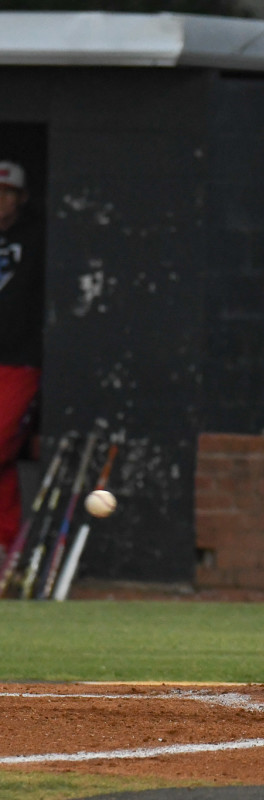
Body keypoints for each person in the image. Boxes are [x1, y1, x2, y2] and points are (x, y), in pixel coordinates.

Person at [0, 160, 43, 564]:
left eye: (7, 193)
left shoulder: (38, 239)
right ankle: (8, 546)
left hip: (17, 362)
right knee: (3, 461)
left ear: (22, 198)